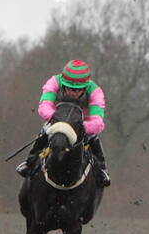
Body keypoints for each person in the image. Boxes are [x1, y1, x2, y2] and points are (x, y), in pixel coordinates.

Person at [16, 59, 110, 187]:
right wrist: (58, 121)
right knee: (43, 132)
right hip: (58, 122)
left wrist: (81, 128)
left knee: (94, 139)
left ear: (85, 87)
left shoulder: (95, 91)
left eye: (78, 90)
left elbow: (98, 121)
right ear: (64, 84)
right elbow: (44, 107)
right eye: (70, 88)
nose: (74, 93)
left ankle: (101, 170)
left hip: (81, 126)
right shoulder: (54, 82)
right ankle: (29, 162)